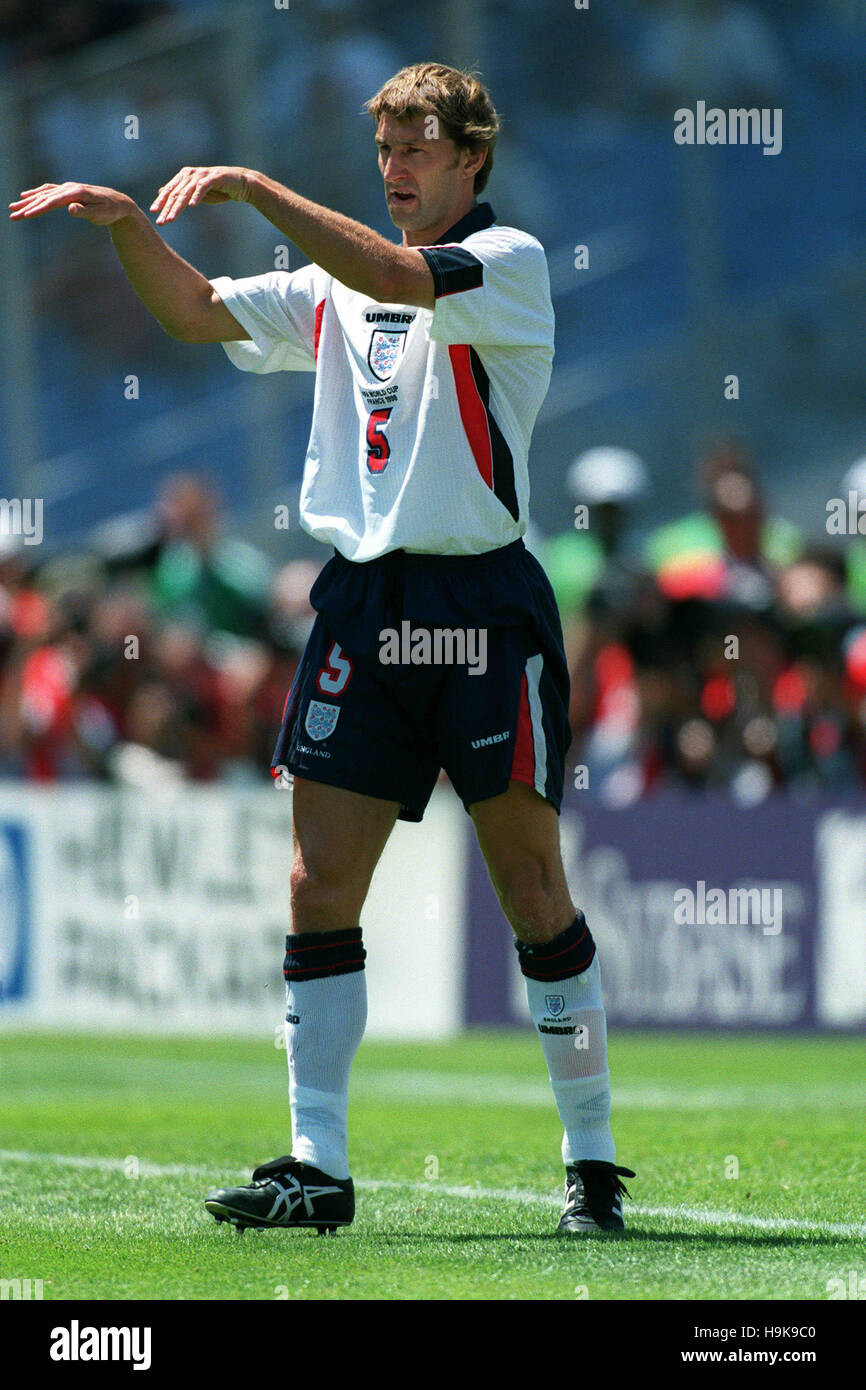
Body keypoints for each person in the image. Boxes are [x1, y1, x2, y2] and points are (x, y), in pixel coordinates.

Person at [11, 61, 634, 1237]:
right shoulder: (333, 287)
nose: (395, 169)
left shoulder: (507, 268)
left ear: (471, 160)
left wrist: (252, 183)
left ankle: (592, 1158)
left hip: (481, 606)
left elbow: (397, 273)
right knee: (316, 884)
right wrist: (127, 226)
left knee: (530, 889)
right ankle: (318, 1163)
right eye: (386, 150)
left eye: (417, 149)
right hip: (362, 604)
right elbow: (193, 314)